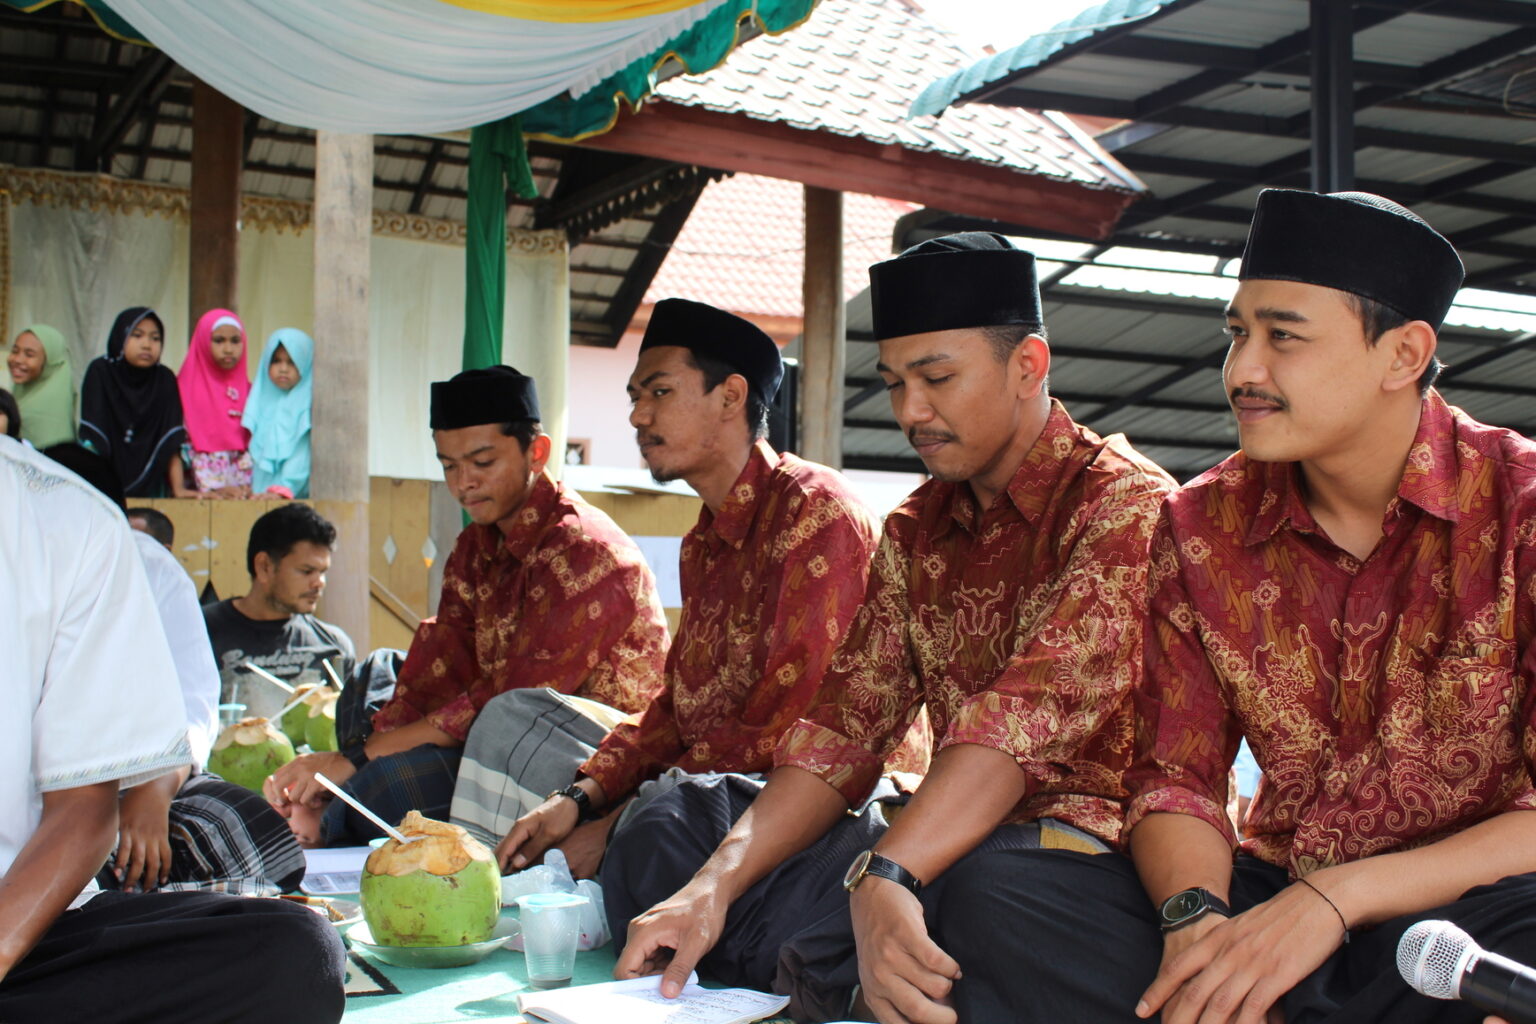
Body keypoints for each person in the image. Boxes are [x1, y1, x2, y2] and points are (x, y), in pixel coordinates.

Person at [948, 190, 1536, 1024]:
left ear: (1404, 354)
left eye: (1283, 337)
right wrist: (1195, 922)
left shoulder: (1521, 506)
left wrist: (1338, 900)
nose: (1242, 371)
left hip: (1463, 915)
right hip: (1271, 906)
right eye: (1237, 334)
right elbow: (1174, 782)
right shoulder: (1199, 527)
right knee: (1000, 892)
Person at [603, 234, 1177, 1022]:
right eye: (897, 382)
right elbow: (842, 731)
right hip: (928, 845)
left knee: (980, 896)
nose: (910, 411)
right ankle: (809, 963)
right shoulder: (915, 530)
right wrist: (712, 887)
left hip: (1080, 867)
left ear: (1028, 366)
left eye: (937, 379)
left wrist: (888, 875)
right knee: (676, 826)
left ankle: (826, 963)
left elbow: (1019, 725)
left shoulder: (1124, 505)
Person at [466, 299, 898, 879]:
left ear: (731, 396)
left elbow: (790, 730)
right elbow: (676, 708)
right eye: (634, 397)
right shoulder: (703, 542)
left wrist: (620, 818)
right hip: (706, 776)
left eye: (659, 392)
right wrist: (579, 799)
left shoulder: (818, 516)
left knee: (660, 825)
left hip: (824, 795)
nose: (638, 416)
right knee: (518, 732)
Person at [0, 434, 344, 1023]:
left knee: (296, 953)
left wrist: (151, 793)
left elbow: (96, 793)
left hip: (22, 913)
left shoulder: (63, 521)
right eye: (306, 569)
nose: (317, 583)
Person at [264, 365, 669, 847]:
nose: (463, 483)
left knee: (391, 786)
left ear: (536, 452)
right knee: (371, 679)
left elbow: (508, 702)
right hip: (491, 737)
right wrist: (362, 749)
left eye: (481, 462)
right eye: (449, 465)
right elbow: (442, 665)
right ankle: (331, 803)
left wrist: (355, 762)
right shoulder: (474, 547)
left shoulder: (587, 553)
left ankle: (321, 819)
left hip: (577, 763)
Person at [40, 443, 306, 896]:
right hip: (40, 795)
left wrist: (154, 791)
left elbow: (192, 697)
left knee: (239, 824)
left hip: (142, 775)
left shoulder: (148, 565)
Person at [203, 503, 357, 720]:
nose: (319, 583)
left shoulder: (334, 647)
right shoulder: (200, 633)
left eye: (323, 572)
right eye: (307, 571)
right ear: (264, 567)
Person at [79, 306, 195, 498]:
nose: (147, 345)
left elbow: (171, 440)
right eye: (137, 335)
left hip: (152, 485)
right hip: (101, 483)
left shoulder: (164, 379)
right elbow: (93, 438)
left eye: (155, 338)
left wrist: (178, 489)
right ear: (120, 337)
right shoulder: (100, 372)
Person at [178, 309, 253, 498]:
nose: (228, 349)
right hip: (196, 497)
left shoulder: (250, 392)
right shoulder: (182, 391)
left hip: (245, 495)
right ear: (203, 342)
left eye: (235, 341)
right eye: (219, 341)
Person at [244, 328, 314, 498]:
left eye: (292, 362)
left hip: (291, 498)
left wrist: (284, 489)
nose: (283, 369)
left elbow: (302, 456)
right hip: (257, 497)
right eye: (276, 361)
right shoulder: (259, 401)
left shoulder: (307, 404)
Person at [7, 324, 76, 449]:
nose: (17, 359)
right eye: (15, 351)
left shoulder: (55, 409)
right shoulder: (19, 394)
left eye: (29, 355)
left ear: (50, 361)